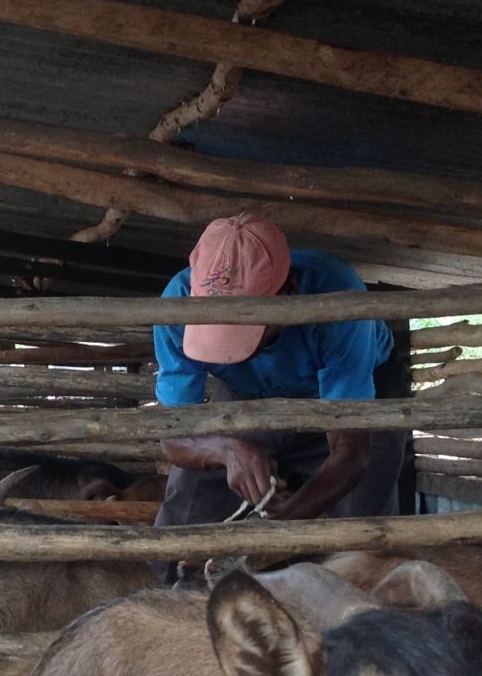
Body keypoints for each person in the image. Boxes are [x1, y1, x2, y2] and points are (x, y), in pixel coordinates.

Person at [152, 214, 404, 538]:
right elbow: (173, 437)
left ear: (289, 292)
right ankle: (169, 583)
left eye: (243, 329)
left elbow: (351, 455)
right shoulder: (176, 305)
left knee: (359, 525)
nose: (229, 343)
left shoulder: (336, 299)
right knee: (186, 510)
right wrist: (224, 450)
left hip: (355, 390)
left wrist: (277, 536)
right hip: (244, 390)